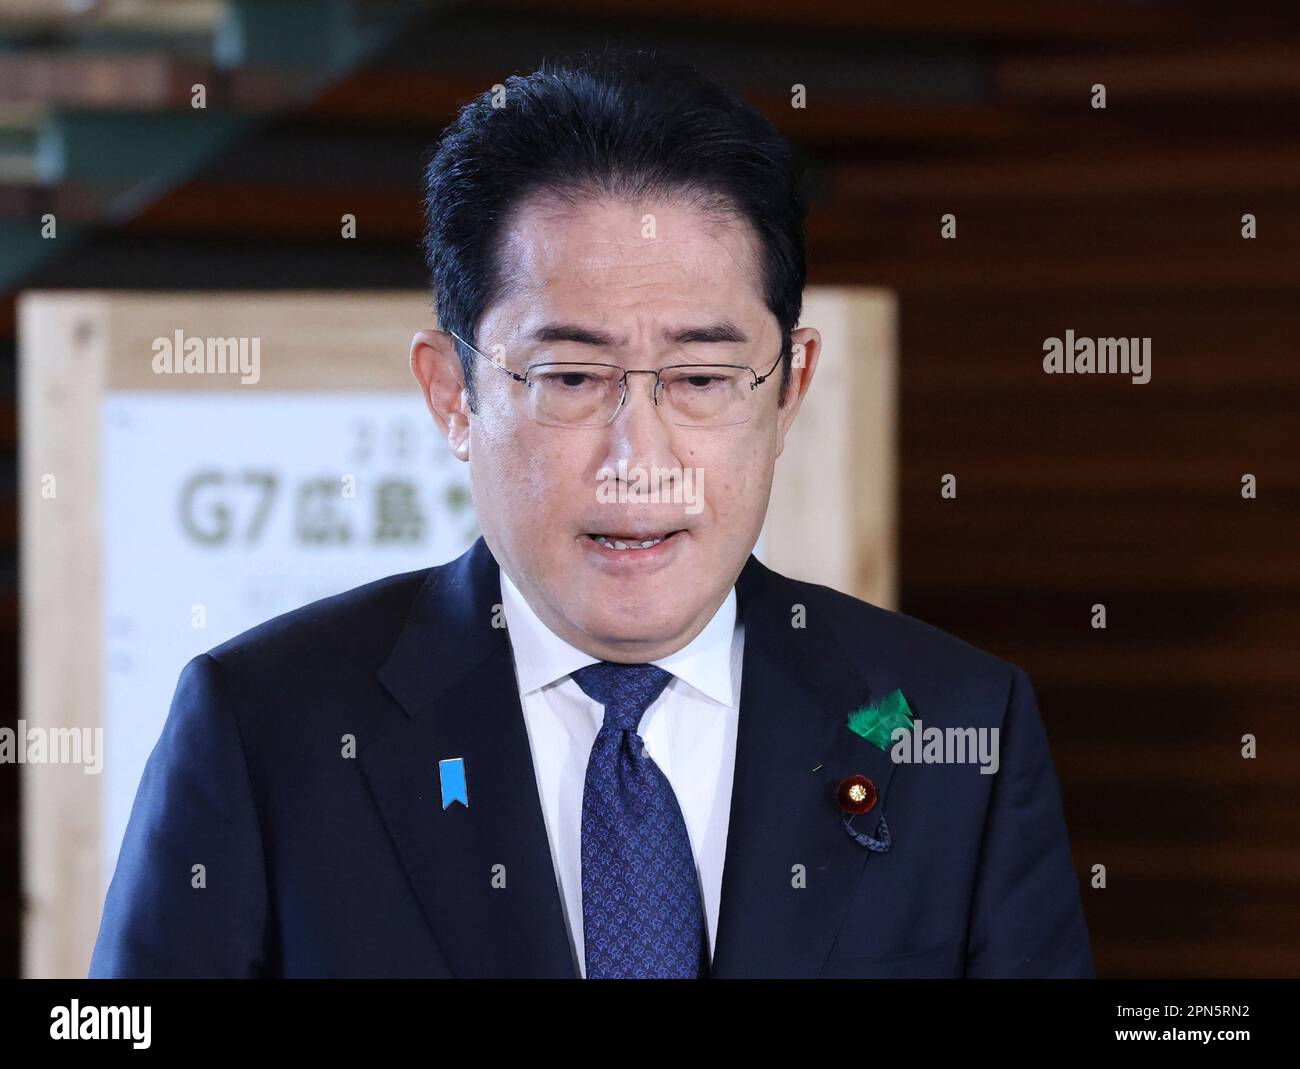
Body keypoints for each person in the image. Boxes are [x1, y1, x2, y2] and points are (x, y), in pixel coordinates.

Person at [89, 47, 1093, 978]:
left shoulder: (958, 727)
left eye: (700, 376)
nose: (638, 457)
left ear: (788, 390)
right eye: (570, 374)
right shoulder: (266, 729)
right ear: (453, 396)